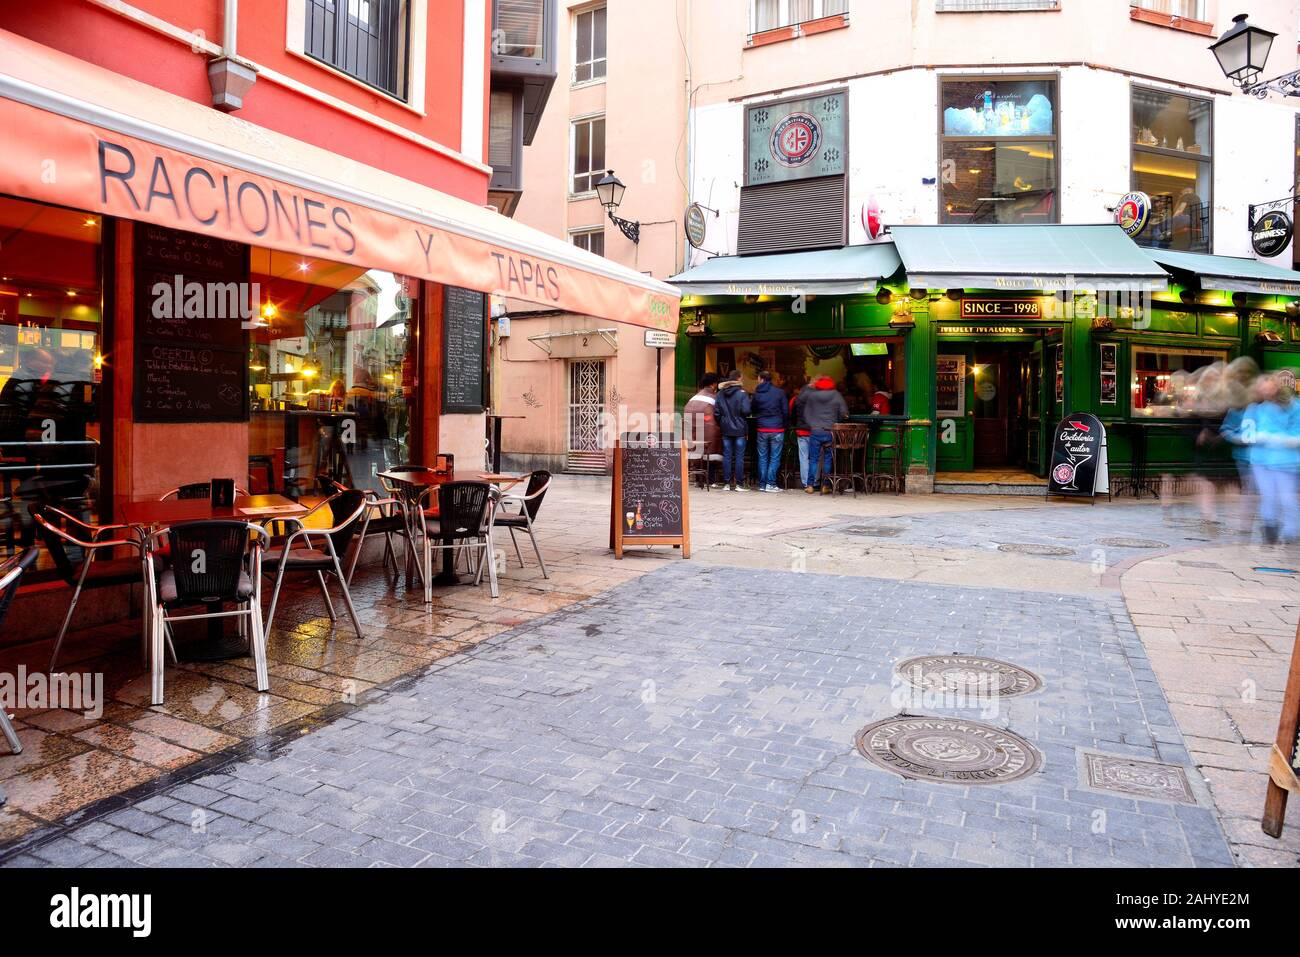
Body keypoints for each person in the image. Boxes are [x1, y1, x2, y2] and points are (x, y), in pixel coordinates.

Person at [1242, 371, 1300, 544]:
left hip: (1286, 461)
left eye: (1268, 386)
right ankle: (1270, 530)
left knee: (1287, 498)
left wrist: (1282, 439)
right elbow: (1247, 434)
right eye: (1262, 387)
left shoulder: (1294, 406)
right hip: (1261, 460)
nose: (1265, 391)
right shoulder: (1254, 409)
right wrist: (1255, 437)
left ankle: (1290, 531)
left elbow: (1297, 432)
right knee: (1269, 496)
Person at [794, 375, 848, 494]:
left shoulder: (813, 396)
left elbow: (807, 414)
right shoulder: (836, 395)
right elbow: (844, 413)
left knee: (813, 459)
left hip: (816, 431)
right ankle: (826, 485)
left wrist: (813, 424)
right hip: (829, 431)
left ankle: (810, 485)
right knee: (828, 459)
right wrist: (835, 421)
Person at [714, 369, 751, 491]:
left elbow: (717, 413)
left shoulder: (720, 394)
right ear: (739, 378)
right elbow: (746, 411)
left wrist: (724, 422)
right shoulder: (742, 393)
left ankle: (726, 484)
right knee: (739, 457)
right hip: (740, 429)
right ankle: (739, 484)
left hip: (726, 429)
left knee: (727, 456)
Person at [683, 373, 723, 488]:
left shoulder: (693, 398)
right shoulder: (714, 398)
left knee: (697, 454)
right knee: (710, 455)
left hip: (693, 432)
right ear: (713, 384)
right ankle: (710, 480)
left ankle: (698, 479)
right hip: (710, 431)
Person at [751, 370, 788, 493]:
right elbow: (785, 411)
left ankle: (762, 484)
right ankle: (770, 484)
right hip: (777, 428)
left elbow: (753, 409)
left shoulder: (757, 393)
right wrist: (785, 425)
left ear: (761, 379)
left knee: (762, 457)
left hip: (762, 428)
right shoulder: (780, 392)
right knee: (774, 457)